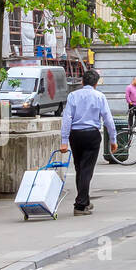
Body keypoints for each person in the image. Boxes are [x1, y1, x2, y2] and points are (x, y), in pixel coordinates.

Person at [58, 69, 118, 216]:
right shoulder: (100, 96)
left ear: (82, 82)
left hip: (75, 135)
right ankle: (80, 205)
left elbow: (67, 118)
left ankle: (84, 200)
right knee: (86, 169)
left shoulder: (73, 96)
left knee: (80, 167)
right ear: (96, 84)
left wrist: (64, 140)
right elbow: (108, 119)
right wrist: (113, 139)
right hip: (92, 134)